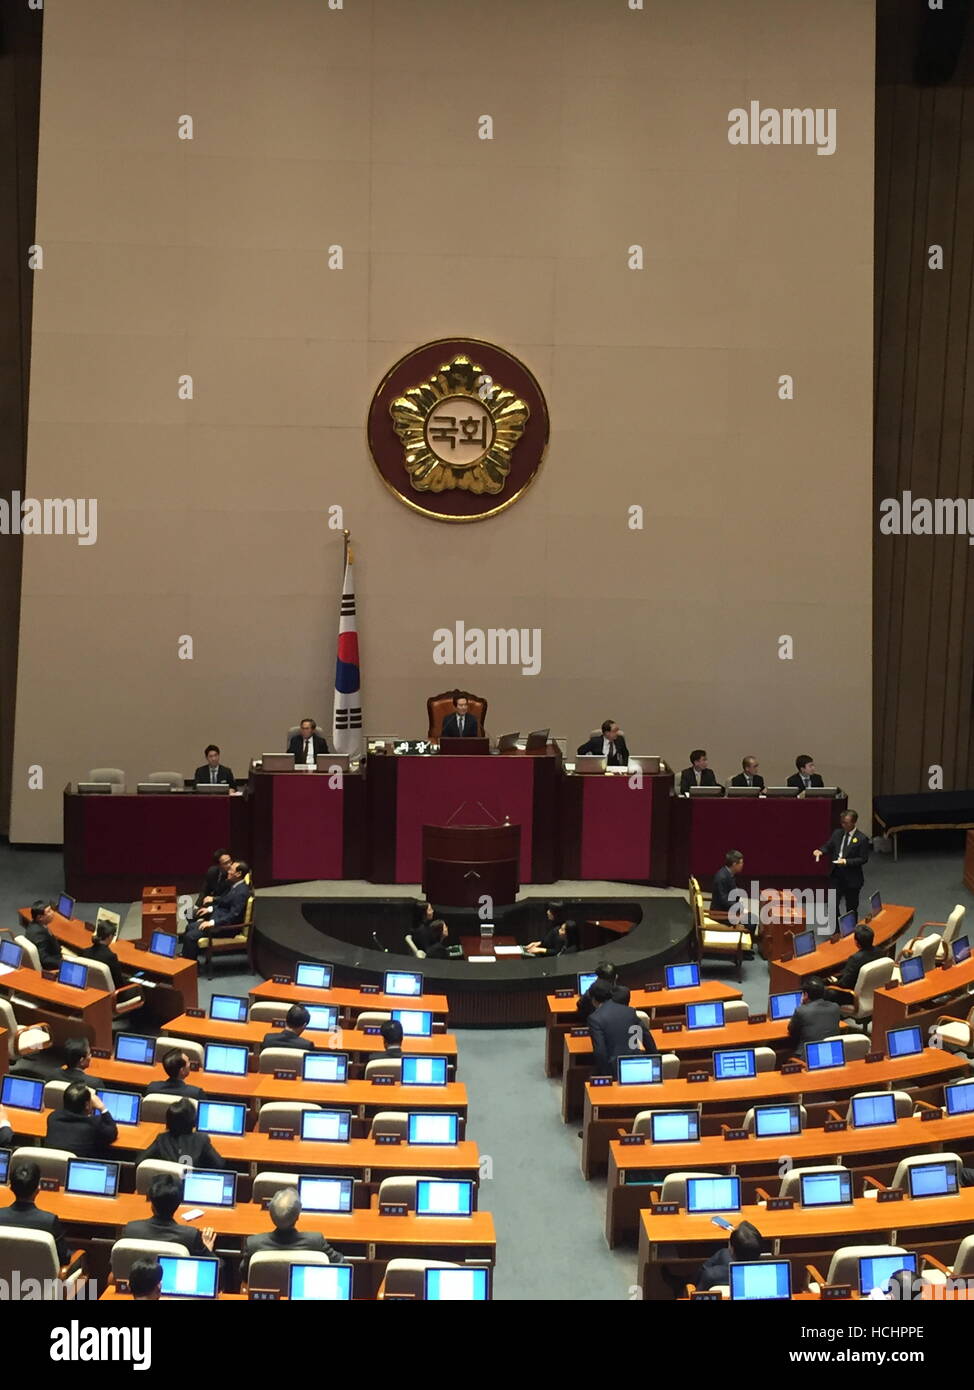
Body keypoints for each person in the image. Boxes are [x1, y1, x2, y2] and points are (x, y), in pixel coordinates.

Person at [243, 1188, 342, 1277]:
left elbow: (245, 1275)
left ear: (271, 1215)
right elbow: (342, 1264)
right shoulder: (316, 1241)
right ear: (297, 1216)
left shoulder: (253, 1244)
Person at [120, 1173, 215, 1256]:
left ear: (152, 1205)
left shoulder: (130, 1230)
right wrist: (207, 1249)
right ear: (177, 1206)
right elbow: (217, 1266)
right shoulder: (191, 1236)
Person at [0, 1159, 70, 1264]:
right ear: (38, 1189)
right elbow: (64, 1258)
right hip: (39, 1279)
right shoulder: (49, 1221)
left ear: (11, 1188)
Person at [181, 860, 251, 960]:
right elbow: (225, 902)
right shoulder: (235, 886)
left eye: (231, 869)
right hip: (219, 919)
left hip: (226, 928)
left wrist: (213, 922)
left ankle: (190, 968)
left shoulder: (241, 892)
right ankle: (188, 958)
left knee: (190, 936)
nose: (228, 871)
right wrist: (210, 909)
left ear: (238, 873)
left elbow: (233, 916)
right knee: (190, 927)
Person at [588, 982, 658, 1074]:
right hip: (637, 1063)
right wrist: (655, 1063)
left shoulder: (594, 1018)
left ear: (593, 1000)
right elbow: (646, 1037)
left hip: (614, 1068)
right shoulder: (629, 1011)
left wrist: (607, 1076)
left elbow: (600, 1051)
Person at [136, 1098, 224, 1170]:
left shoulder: (161, 1140)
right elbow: (220, 1165)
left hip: (167, 1186)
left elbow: (139, 1162)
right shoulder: (201, 1140)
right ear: (193, 1121)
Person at [814, 810, 870, 920]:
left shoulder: (861, 838)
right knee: (832, 904)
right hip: (836, 875)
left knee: (851, 907)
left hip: (852, 878)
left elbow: (863, 859)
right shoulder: (837, 833)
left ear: (854, 822)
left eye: (846, 823)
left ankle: (851, 931)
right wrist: (821, 851)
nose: (843, 825)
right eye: (842, 822)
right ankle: (837, 930)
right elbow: (829, 846)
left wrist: (846, 861)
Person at [46, 1083, 118, 1158]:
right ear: (87, 1105)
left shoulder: (53, 1117)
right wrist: (102, 1108)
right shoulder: (94, 1123)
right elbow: (112, 1133)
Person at [695, 1220, 763, 1292]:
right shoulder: (770, 1274)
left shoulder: (711, 1276)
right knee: (723, 1253)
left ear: (732, 1250)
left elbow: (698, 1293)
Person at [826, 923, 884, 1003]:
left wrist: (832, 982)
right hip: (874, 992)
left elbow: (844, 984)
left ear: (857, 943)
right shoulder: (880, 952)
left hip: (853, 996)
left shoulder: (855, 959)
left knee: (826, 991)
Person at [786, 977, 842, 1047]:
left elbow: (792, 1031)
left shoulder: (801, 1010)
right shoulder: (835, 1007)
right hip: (832, 1050)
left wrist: (803, 1005)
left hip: (809, 1054)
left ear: (805, 995)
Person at [78, 919, 127, 989]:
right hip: (110, 996)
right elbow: (119, 984)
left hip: (90, 990)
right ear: (110, 936)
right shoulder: (111, 957)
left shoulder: (85, 952)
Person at [24, 900, 63, 970]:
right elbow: (44, 959)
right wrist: (63, 963)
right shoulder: (39, 934)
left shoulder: (33, 925)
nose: (53, 913)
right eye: (49, 911)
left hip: (54, 953)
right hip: (53, 965)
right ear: (40, 917)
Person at [710, 851, 746, 915]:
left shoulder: (728, 874)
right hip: (720, 914)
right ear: (734, 864)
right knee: (751, 922)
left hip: (727, 910)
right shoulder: (721, 877)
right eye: (741, 863)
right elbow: (723, 900)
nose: (742, 864)